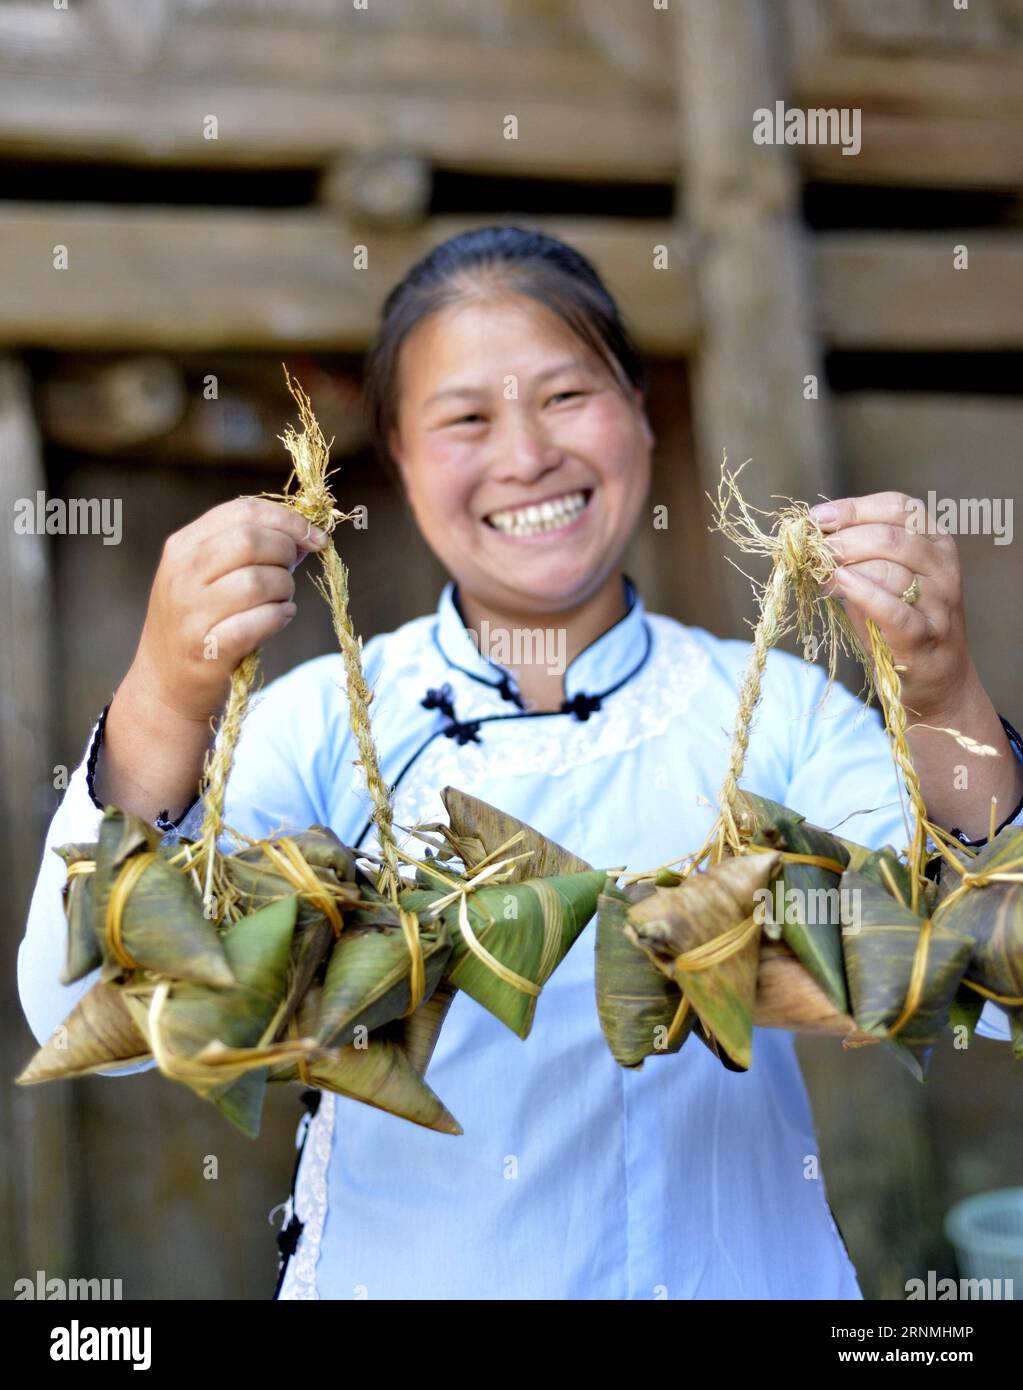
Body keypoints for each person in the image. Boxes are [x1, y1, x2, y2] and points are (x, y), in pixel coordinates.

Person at [18, 226, 1023, 1301]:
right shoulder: (319, 722)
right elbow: (84, 997)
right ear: (398, 459)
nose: (525, 454)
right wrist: (167, 695)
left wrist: (937, 689)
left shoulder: (778, 708)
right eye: (465, 418)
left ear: (641, 413)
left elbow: (996, 974)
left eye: (565, 396)